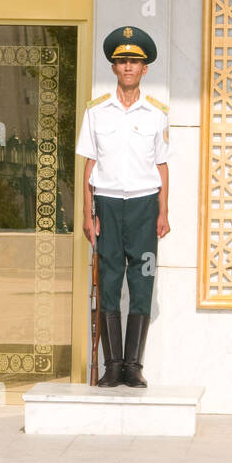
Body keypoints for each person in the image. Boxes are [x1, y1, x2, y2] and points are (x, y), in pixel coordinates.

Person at [77, 26, 171, 387]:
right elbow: (88, 166)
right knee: (110, 280)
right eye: (122, 62)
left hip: (145, 206)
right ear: (114, 68)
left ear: (144, 69)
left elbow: (162, 166)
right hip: (109, 204)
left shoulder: (156, 114)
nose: (128, 67)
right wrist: (88, 215)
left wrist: (163, 211)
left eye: (134, 62)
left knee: (143, 280)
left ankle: (134, 366)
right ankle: (112, 365)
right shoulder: (97, 112)